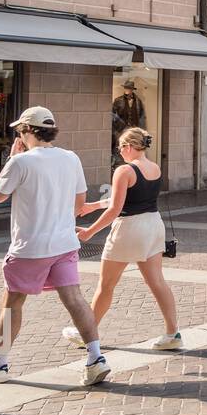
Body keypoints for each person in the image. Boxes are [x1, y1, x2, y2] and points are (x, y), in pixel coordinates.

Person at [0, 107, 110, 387]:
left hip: (30, 246)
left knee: (12, 304)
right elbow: (79, 204)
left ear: (29, 131)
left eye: (20, 131)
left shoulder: (21, 162)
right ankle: (96, 358)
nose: (19, 135)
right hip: (64, 243)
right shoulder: (71, 158)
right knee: (75, 299)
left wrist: (12, 160)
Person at [70, 127, 181, 351]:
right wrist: (95, 205)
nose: (120, 152)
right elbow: (131, 197)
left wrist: (89, 232)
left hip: (129, 229)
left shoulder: (124, 170)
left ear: (129, 146)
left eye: (121, 147)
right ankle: (173, 333)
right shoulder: (155, 167)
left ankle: (86, 334)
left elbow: (115, 209)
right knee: (157, 282)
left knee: (106, 285)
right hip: (153, 225)